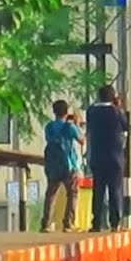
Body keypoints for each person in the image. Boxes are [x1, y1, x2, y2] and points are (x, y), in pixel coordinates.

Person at [85, 84, 129, 232]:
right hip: (115, 158)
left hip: (97, 157)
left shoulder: (91, 111)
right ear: (113, 97)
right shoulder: (117, 112)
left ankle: (96, 223)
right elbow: (125, 126)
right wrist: (119, 106)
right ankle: (115, 223)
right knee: (114, 191)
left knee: (98, 191)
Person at [41, 99, 85, 233]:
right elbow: (82, 140)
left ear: (54, 112)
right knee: (72, 193)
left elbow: (49, 140)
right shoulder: (70, 127)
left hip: (52, 165)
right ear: (66, 112)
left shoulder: (48, 127)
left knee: (51, 194)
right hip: (68, 165)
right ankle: (68, 223)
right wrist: (77, 124)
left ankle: (46, 224)